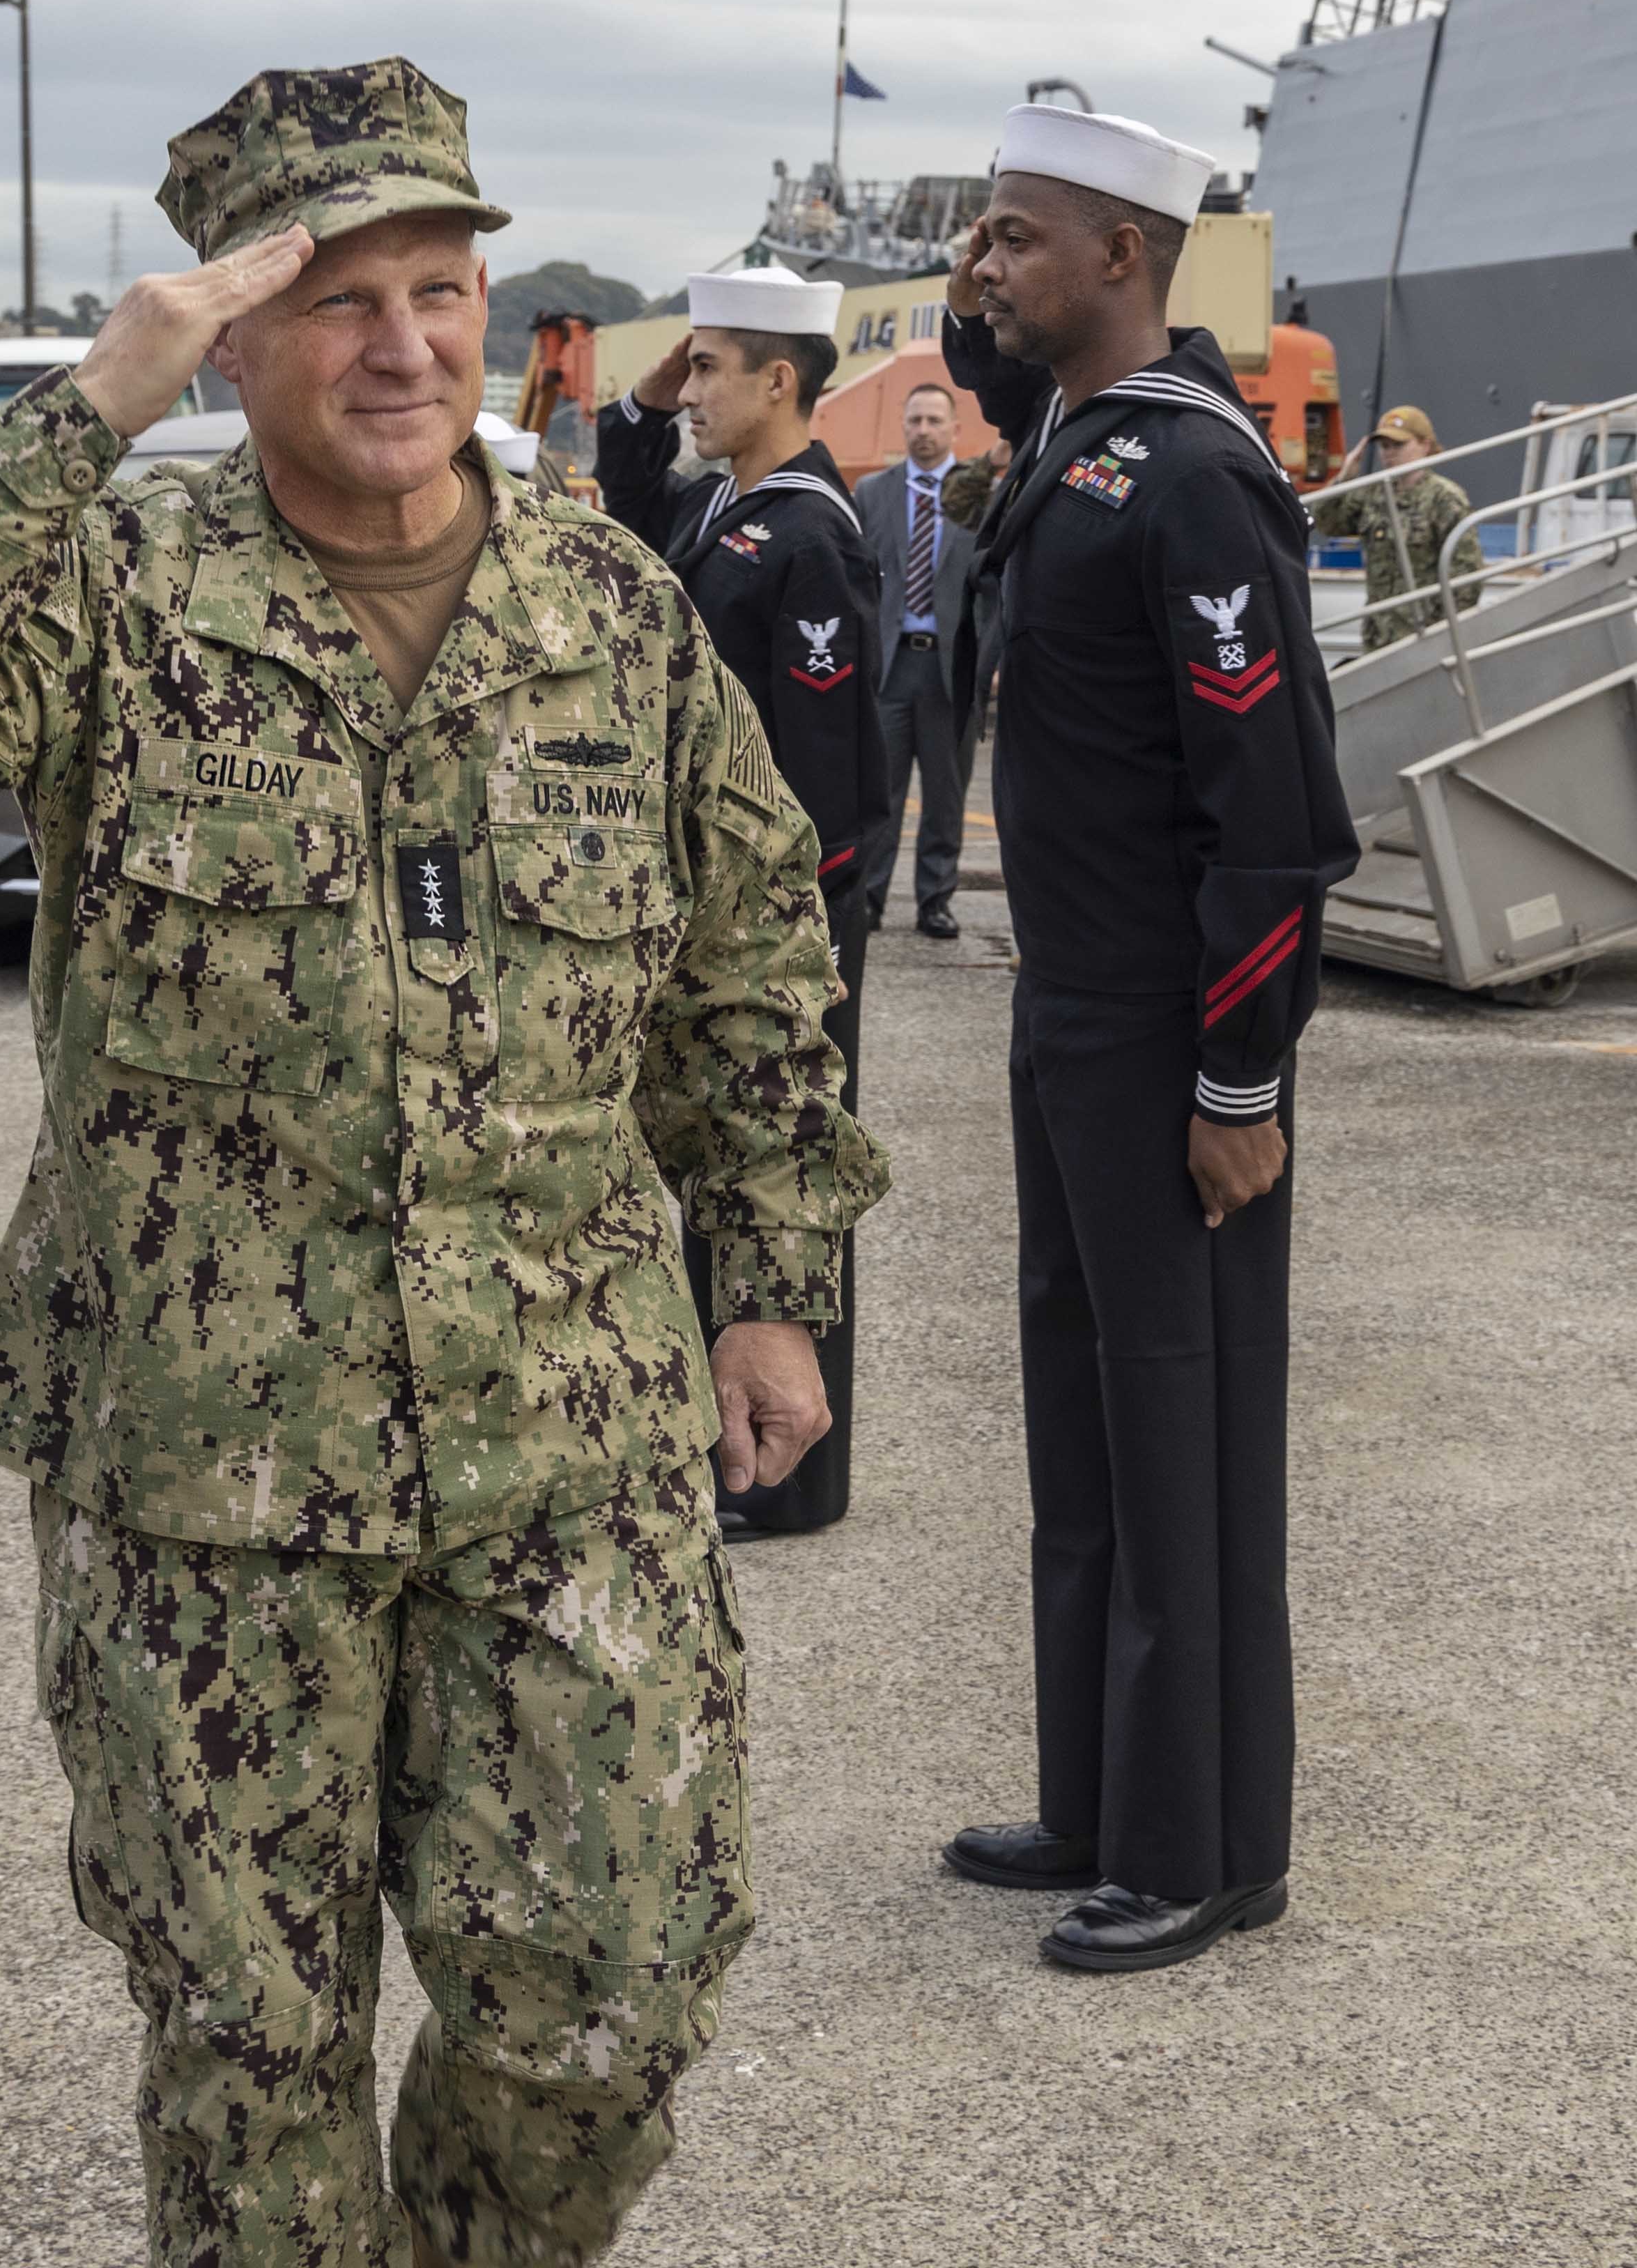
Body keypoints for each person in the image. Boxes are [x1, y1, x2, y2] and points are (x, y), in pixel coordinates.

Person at [0, 56, 883, 2265]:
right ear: (229, 333)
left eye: (439, 288)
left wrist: (772, 1271)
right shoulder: (118, 589)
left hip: (564, 1430)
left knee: (608, 1997)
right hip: (207, 1466)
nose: (402, 344)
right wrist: (88, 403)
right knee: (248, 2048)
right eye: (331, 296)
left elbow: (748, 955)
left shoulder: (608, 607)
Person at [932, 101, 1357, 1976]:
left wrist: (1240, 1076)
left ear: (1122, 256)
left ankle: (1203, 1849)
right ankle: (1102, 1794)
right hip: (1065, 1008)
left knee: (1182, 1432)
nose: (982, 266)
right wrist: (980, 285)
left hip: (1168, 1033)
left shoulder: (1192, 478)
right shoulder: (1076, 450)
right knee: (1085, 1415)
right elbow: (990, 362)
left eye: (1015, 235)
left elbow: (1271, 807)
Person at [595, 263, 887, 1537]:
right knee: (715, 1190)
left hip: (781, 936)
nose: (692, 386)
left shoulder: (811, 534)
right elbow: (623, 528)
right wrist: (649, 399)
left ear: (783, 380)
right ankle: (732, 1450)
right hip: (714, 921)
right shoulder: (731, 509)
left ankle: (789, 1477)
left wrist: (801, 949)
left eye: (712, 364)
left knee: (779, 1195)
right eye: (688, 364)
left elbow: (829, 782)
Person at [856, 378, 981, 938]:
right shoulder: (872, 494)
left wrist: (992, 656)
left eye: (935, 421)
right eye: (915, 421)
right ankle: (869, 898)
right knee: (880, 791)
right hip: (890, 664)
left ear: (956, 429)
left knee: (946, 791)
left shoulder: (980, 495)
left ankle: (935, 900)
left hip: (951, 667)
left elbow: (995, 586)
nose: (924, 431)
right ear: (902, 427)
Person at [1344, 403, 1473, 648]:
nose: (1389, 453)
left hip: (1424, 634)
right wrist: (1346, 477)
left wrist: (1443, 632)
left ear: (1425, 446)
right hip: (1379, 635)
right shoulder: (1374, 494)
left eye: (1399, 445)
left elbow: (1466, 573)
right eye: (1384, 446)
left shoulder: (1444, 498)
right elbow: (1328, 523)